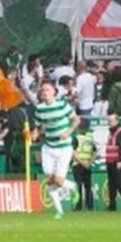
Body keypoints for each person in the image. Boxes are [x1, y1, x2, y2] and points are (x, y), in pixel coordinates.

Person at [33, 80, 80, 220]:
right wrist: (35, 133)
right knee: (49, 180)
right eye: (42, 91)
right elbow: (38, 126)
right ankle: (59, 211)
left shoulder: (62, 105)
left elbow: (76, 120)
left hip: (64, 147)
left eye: (47, 90)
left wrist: (68, 132)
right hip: (48, 146)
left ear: (54, 92)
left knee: (59, 181)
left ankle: (73, 187)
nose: (44, 92)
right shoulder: (39, 108)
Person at [72, 119, 95, 211]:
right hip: (87, 165)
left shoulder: (76, 138)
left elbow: (73, 152)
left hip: (78, 164)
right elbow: (96, 152)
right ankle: (90, 206)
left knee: (78, 186)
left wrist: (82, 162)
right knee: (88, 186)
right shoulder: (90, 138)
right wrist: (89, 162)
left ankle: (78, 206)